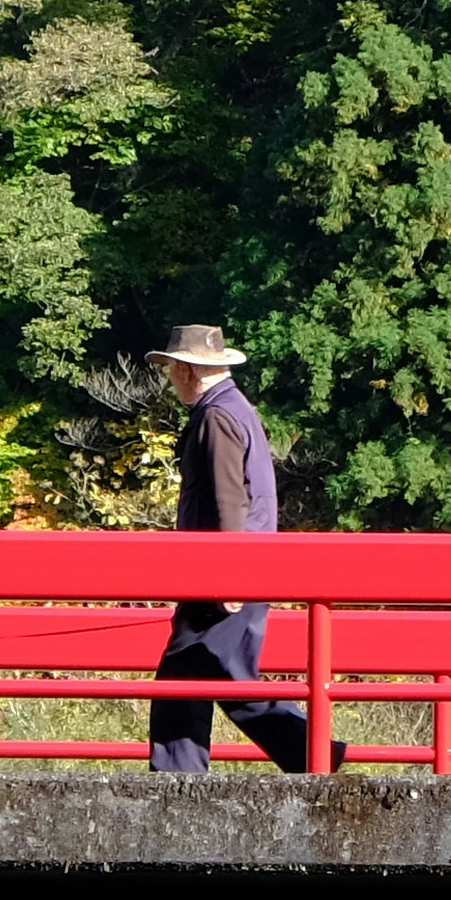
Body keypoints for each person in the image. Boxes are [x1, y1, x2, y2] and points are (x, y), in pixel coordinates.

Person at [143, 321, 324, 773]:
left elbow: (229, 498)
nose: (170, 380)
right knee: (231, 681)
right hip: (244, 570)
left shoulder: (216, 416)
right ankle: (316, 755)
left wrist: (229, 575)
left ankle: (177, 782)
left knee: (182, 675)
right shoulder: (237, 408)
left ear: (186, 370)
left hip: (224, 575)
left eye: (170, 370)